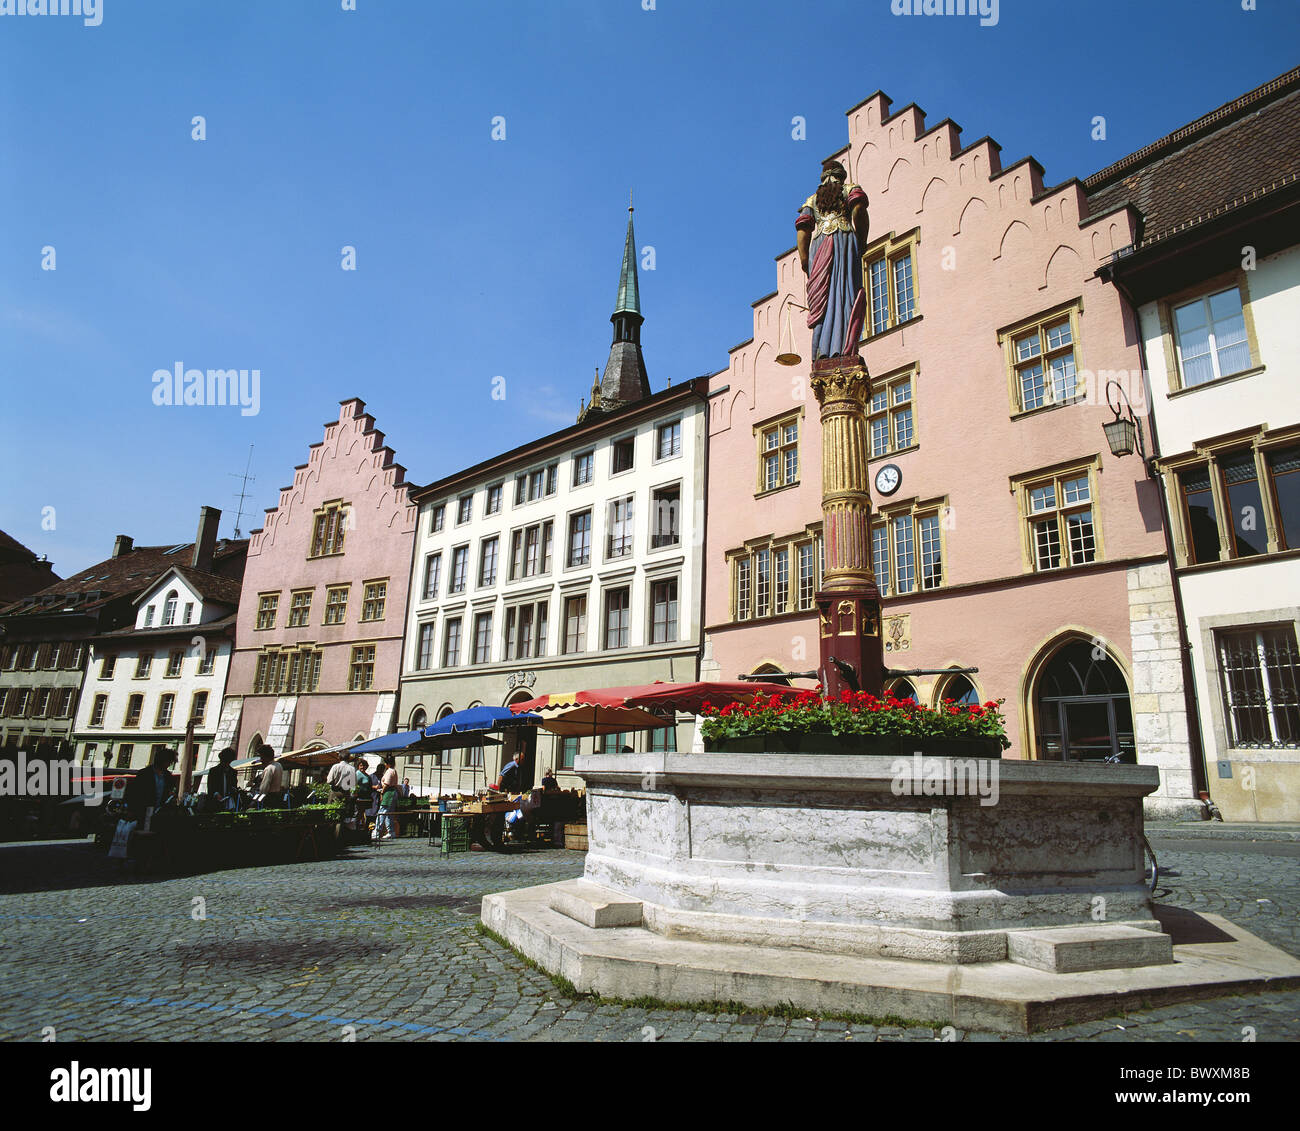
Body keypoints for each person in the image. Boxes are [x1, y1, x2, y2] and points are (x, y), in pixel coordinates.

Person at [796, 158, 870, 361]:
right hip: (844, 241)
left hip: (819, 247)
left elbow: (802, 230)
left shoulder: (812, 201)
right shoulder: (849, 190)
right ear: (841, 176)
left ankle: (822, 351)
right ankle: (844, 346)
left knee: (824, 301)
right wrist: (861, 240)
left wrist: (805, 261)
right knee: (845, 293)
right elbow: (859, 210)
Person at [123, 747, 178, 824]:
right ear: (162, 760)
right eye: (168, 762)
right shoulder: (144, 774)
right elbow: (134, 793)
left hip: (159, 813)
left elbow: (170, 792)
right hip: (142, 812)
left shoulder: (168, 776)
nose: (169, 764)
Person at [375, 757, 400, 840]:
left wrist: (382, 792)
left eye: (385, 763)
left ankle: (377, 832)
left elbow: (387, 784)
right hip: (392, 792)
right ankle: (391, 832)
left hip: (388, 793)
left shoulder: (389, 771)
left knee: (382, 812)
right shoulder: (393, 771)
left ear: (388, 764)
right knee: (389, 814)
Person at [255, 745, 284, 810]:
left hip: (269, 798)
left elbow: (264, 787)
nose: (260, 760)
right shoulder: (279, 765)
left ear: (266, 757)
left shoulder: (269, 768)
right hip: (277, 797)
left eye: (261, 757)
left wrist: (257, 800)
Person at [353, 757, 375, 835]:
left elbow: (369, 787)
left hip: (365, 798)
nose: (362, 767)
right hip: (358, 798)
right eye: (361, 765)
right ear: (358, 766)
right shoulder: (357, 774)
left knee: (362, 814)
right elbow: (353, 786)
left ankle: (360, 829)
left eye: (364, 765)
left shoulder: (367, 775)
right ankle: (355, 829)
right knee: (357, 814)